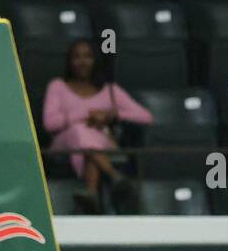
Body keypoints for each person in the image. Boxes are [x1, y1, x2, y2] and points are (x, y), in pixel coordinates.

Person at [42, 38, 152, 214]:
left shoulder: (110, 90)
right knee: (80, 131)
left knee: (89, 148)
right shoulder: (58, 86)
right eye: (77, 57)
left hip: (100, 142)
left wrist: (111, 116)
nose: (82, 62)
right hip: (64, 145)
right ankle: (114, 175)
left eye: (88, 56)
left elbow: (146, 117)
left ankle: (91, 193)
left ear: (96, 61)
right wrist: (87, 116)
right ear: (70, 62)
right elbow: (50, 123)